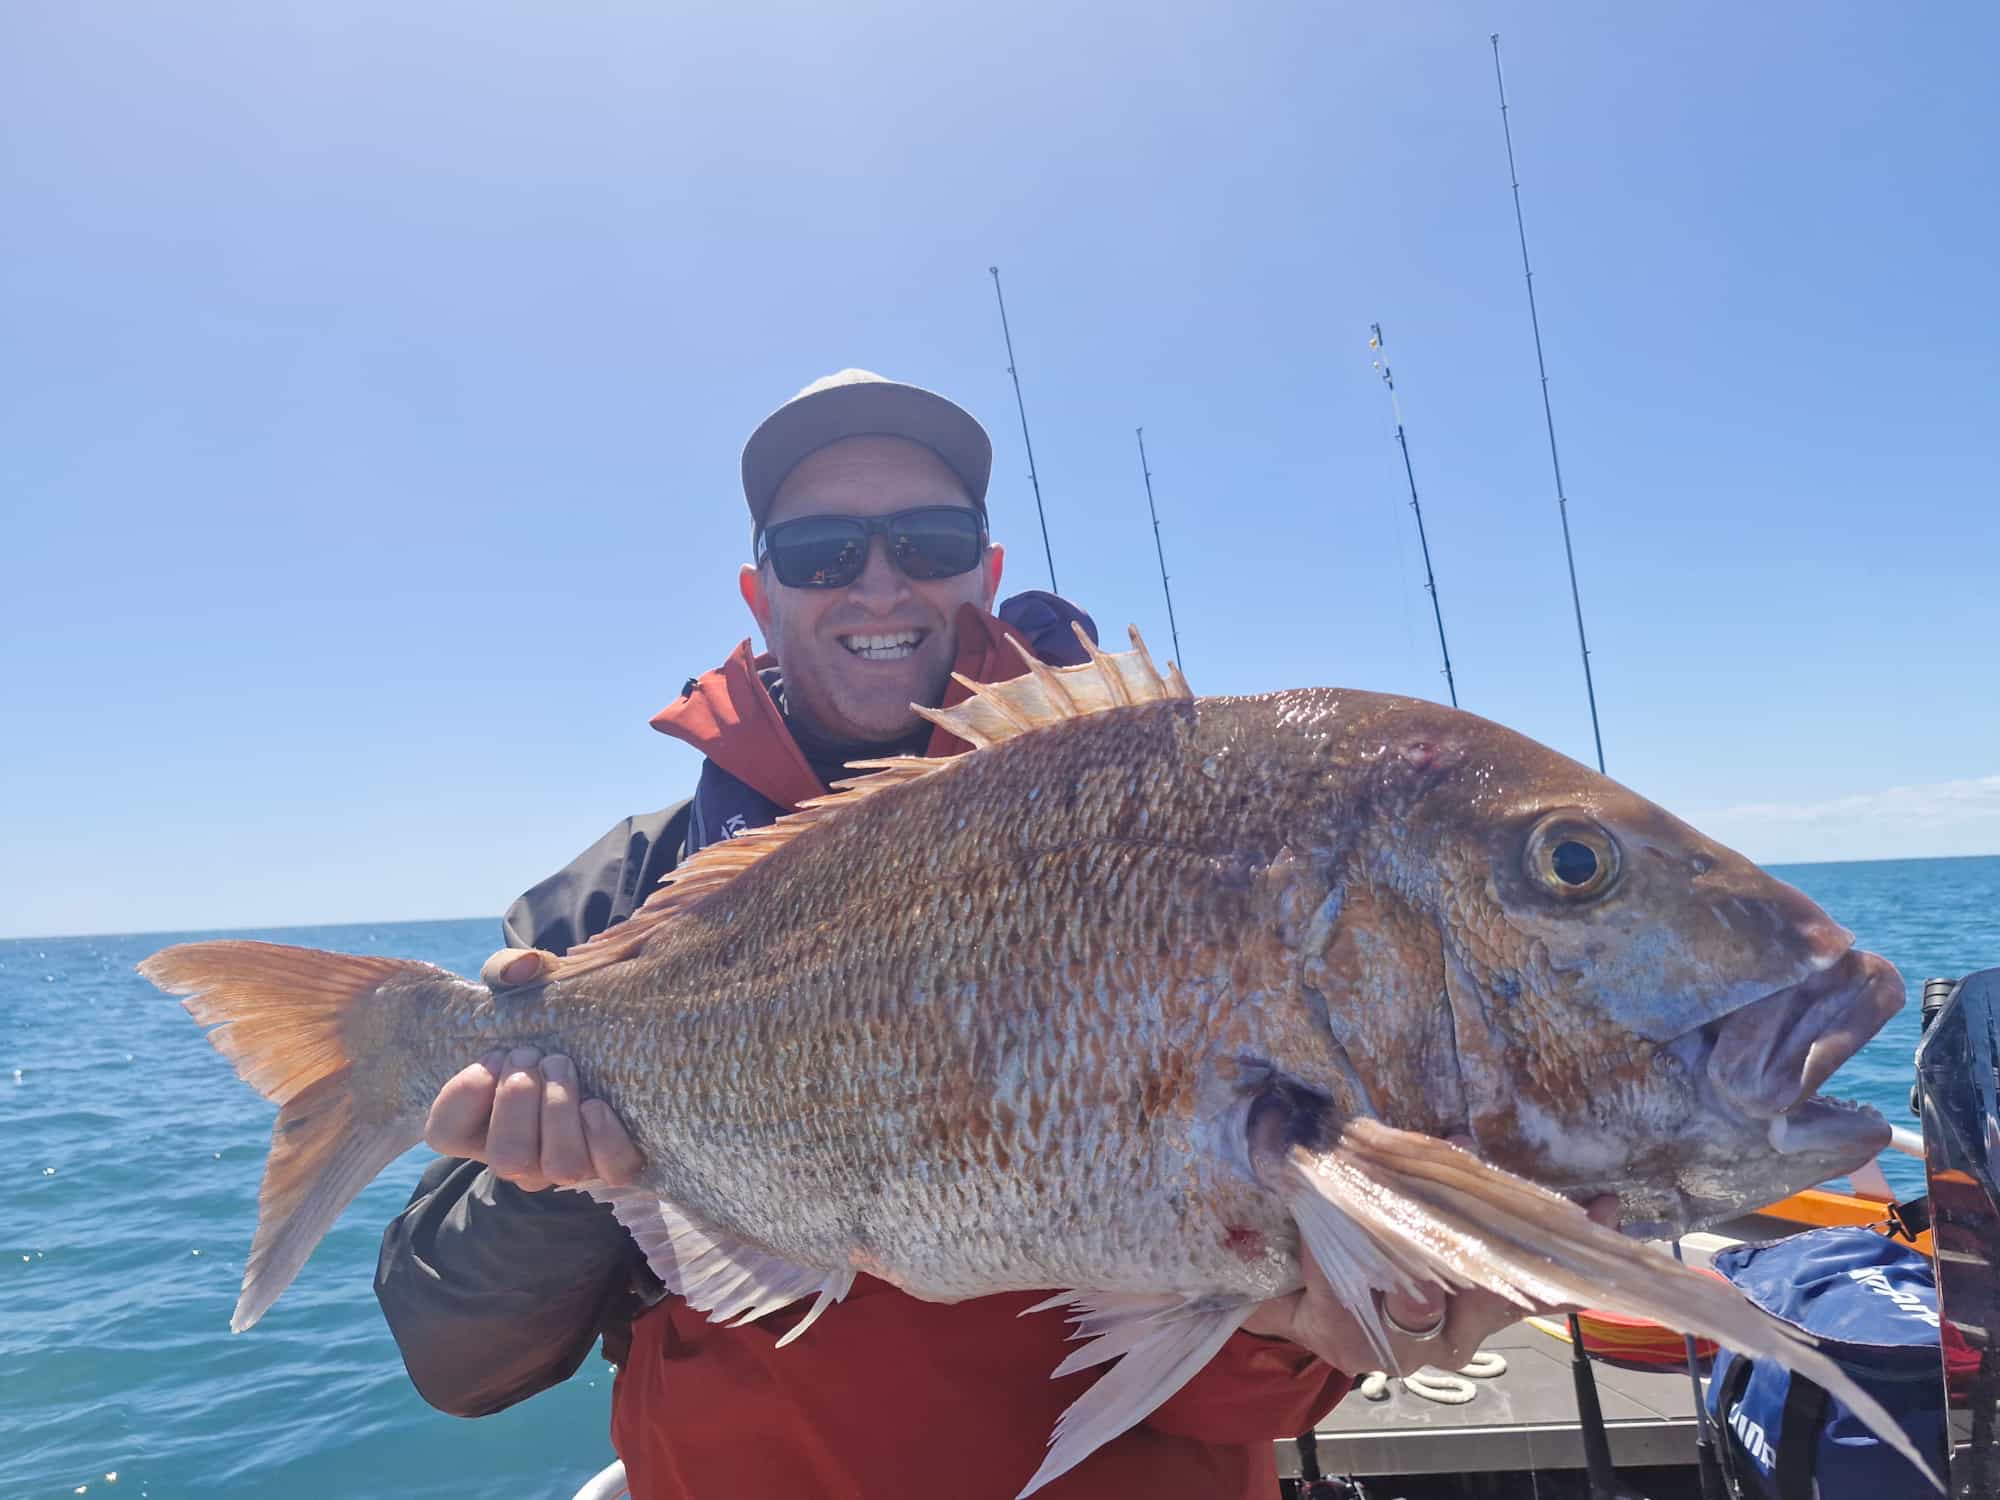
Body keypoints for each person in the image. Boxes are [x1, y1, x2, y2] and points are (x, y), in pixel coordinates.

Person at [375, 369, 1606, 1498]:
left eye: (928, 541)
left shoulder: (1185, 819)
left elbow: (1230, 1362)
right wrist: (569, 1177)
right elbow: (458, 1366)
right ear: (759, 593)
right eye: (818, 551)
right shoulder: (625, 902)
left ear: (985, 564)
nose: (876, 582)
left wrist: (1328, 1326)